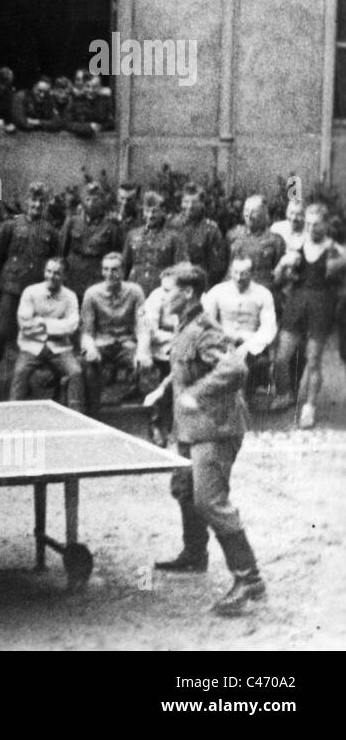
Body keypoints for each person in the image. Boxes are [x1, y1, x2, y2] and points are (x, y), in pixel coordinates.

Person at [150, 263, 266, 617]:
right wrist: (165, 387)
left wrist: (196, 393)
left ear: (187, 293)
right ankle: (194, 555)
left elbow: (234, 368)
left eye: (169, 290)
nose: (163, 296)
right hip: (190, 428)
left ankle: (249, 579)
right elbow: (189, 367)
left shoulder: (204, 328)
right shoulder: (184, 326)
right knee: (185, 488)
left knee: (211, 501)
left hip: (215, 428)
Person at [0, 183, 60, 399]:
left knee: (33, 337)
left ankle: (25, 382)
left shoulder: (51, 231)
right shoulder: (10, 226)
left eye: (41, 201)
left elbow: (55, 259)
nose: (36, 205)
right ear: (25, 202)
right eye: (32, 200)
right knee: (0, 335)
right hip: (11, 288)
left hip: (36, 293)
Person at [271, 202, 342, 429]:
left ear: (326, 225)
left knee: (313, 360)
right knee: (282, 357)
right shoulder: (297, 246)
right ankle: (285, 394)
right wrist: (283, 265)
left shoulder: (334, 249)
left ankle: (309, 406)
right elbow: (278, 280)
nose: (311, 228)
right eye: (309, 223)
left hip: (321, 304)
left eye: (316, 224)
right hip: (297, 302)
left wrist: (340, 264)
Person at [9, 258, 84, 410]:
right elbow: (25, 324)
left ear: (64, 276)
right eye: (48, 271)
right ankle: (12, 412)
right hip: (32, 345)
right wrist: (57, 326)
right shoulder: (30, 292)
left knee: (76, 372)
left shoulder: (70, 296)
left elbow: (72, 326)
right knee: (20, 372)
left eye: (57, 273)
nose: (51, 276)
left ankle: (77, 415)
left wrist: (41, 323)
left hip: (60, 347)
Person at [203, 257, 278, 406]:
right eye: (236, 272)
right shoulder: (218, 291)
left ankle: (240, 404)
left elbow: (268, 327)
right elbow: (207, 320)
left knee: (243, 362)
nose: (238, 277)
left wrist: (249, 345)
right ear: (231, 271)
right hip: (222, 339)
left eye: (243, 273)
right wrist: (222, 337)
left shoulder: (263, 294)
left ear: (252, 273)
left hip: (251, 343)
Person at [79, 252, 146, 411]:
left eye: (115, 269)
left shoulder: (135, 291)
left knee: (146, 364)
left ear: (123, 271)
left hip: (127, 345)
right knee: (88, 365)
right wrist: (91, 349)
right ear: (102, 271)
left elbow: (143, 327)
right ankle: (93, 413)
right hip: (102, 343)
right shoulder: (92, 294)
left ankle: (147, 418)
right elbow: (87, 331)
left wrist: (143, 351)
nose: (110, 274)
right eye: (106, 269)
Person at [137, 270, 183, 444]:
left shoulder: (189, 297)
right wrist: (175, 338)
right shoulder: (155, 298)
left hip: (182, 349)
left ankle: (176, 426)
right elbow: (152, 332)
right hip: (160, 350)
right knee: (152, 378)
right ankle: (155, 424)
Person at [59, 182, 123, 300]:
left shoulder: (112, 227)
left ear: (103, 202)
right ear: (82, 201)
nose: (91, 203)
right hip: (74, 280)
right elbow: (61, 252)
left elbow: (117, 257)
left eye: (96, 199)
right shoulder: (72, 222)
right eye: (87, 199)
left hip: (98, 281)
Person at [123, 190, 188, 294]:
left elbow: (181, 268)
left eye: (155, 211)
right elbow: (125, 266)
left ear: (162, 212)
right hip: (135, 287)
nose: (150, 215)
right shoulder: (133, 235)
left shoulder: (173, 237)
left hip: (162, 288)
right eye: (147, 211)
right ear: (143, 212)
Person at [170, 183, 229, 286]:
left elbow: (217, 266)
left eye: (195, 202)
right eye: (186, 201)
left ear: (202, 204)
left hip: (200, 284)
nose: (190, 206)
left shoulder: (211, 230)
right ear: (181, 203)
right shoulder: (172, 225)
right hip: (174, 283)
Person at [228, 196, 284, 291]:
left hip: (262, 290)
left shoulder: (275, 240)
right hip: (236, 290)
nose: (249, 215)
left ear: (264, 214)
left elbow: (280, 273)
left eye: (254, 212)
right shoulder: (234, 235)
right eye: (246, 211)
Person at [0, 67, 16, 132]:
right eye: (2, 84)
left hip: (2, 125)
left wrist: (10, 124)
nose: (3, 88)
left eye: (7, 85)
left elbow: (8, 111)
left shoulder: (8, 92)